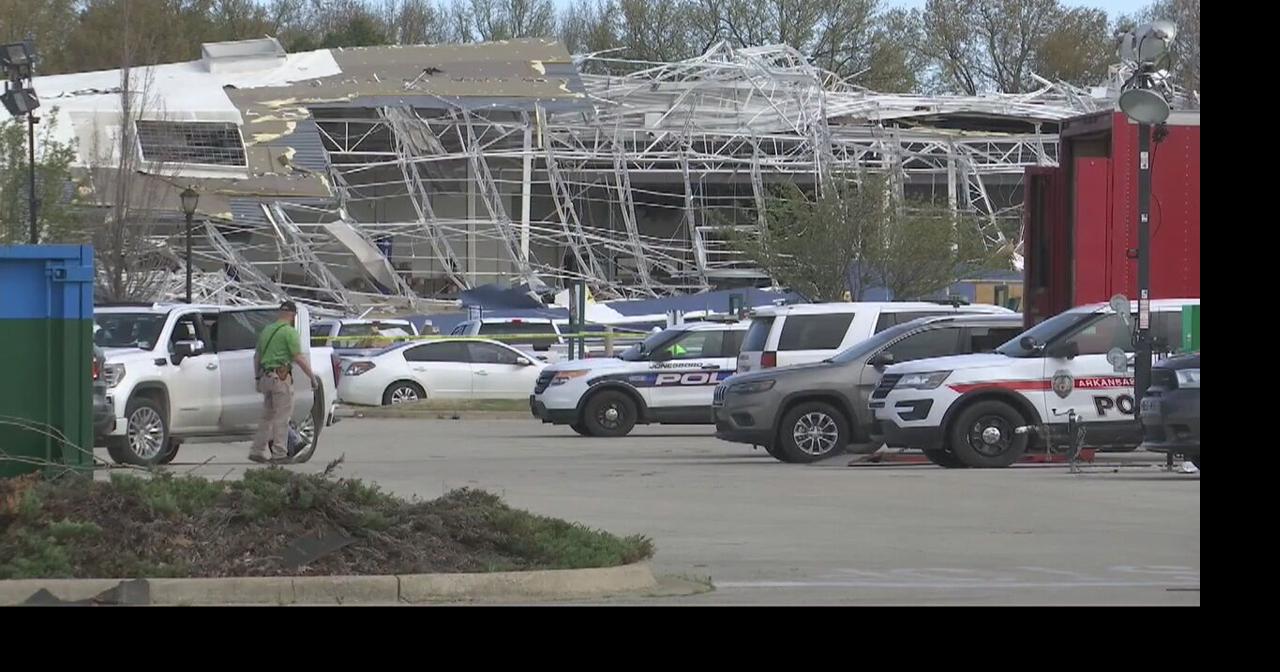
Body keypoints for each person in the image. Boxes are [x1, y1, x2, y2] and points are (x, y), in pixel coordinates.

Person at [250, 300, 320, 464]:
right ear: (293, 315)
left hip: (266, 377)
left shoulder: (267, 330)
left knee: (267, 417)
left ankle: (256, 450)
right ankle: (279, 453)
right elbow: (298, 357)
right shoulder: (289, 332)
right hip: (281, 378)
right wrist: (312, 377)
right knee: (282, 418)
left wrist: (257, 378)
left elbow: (257, 357)